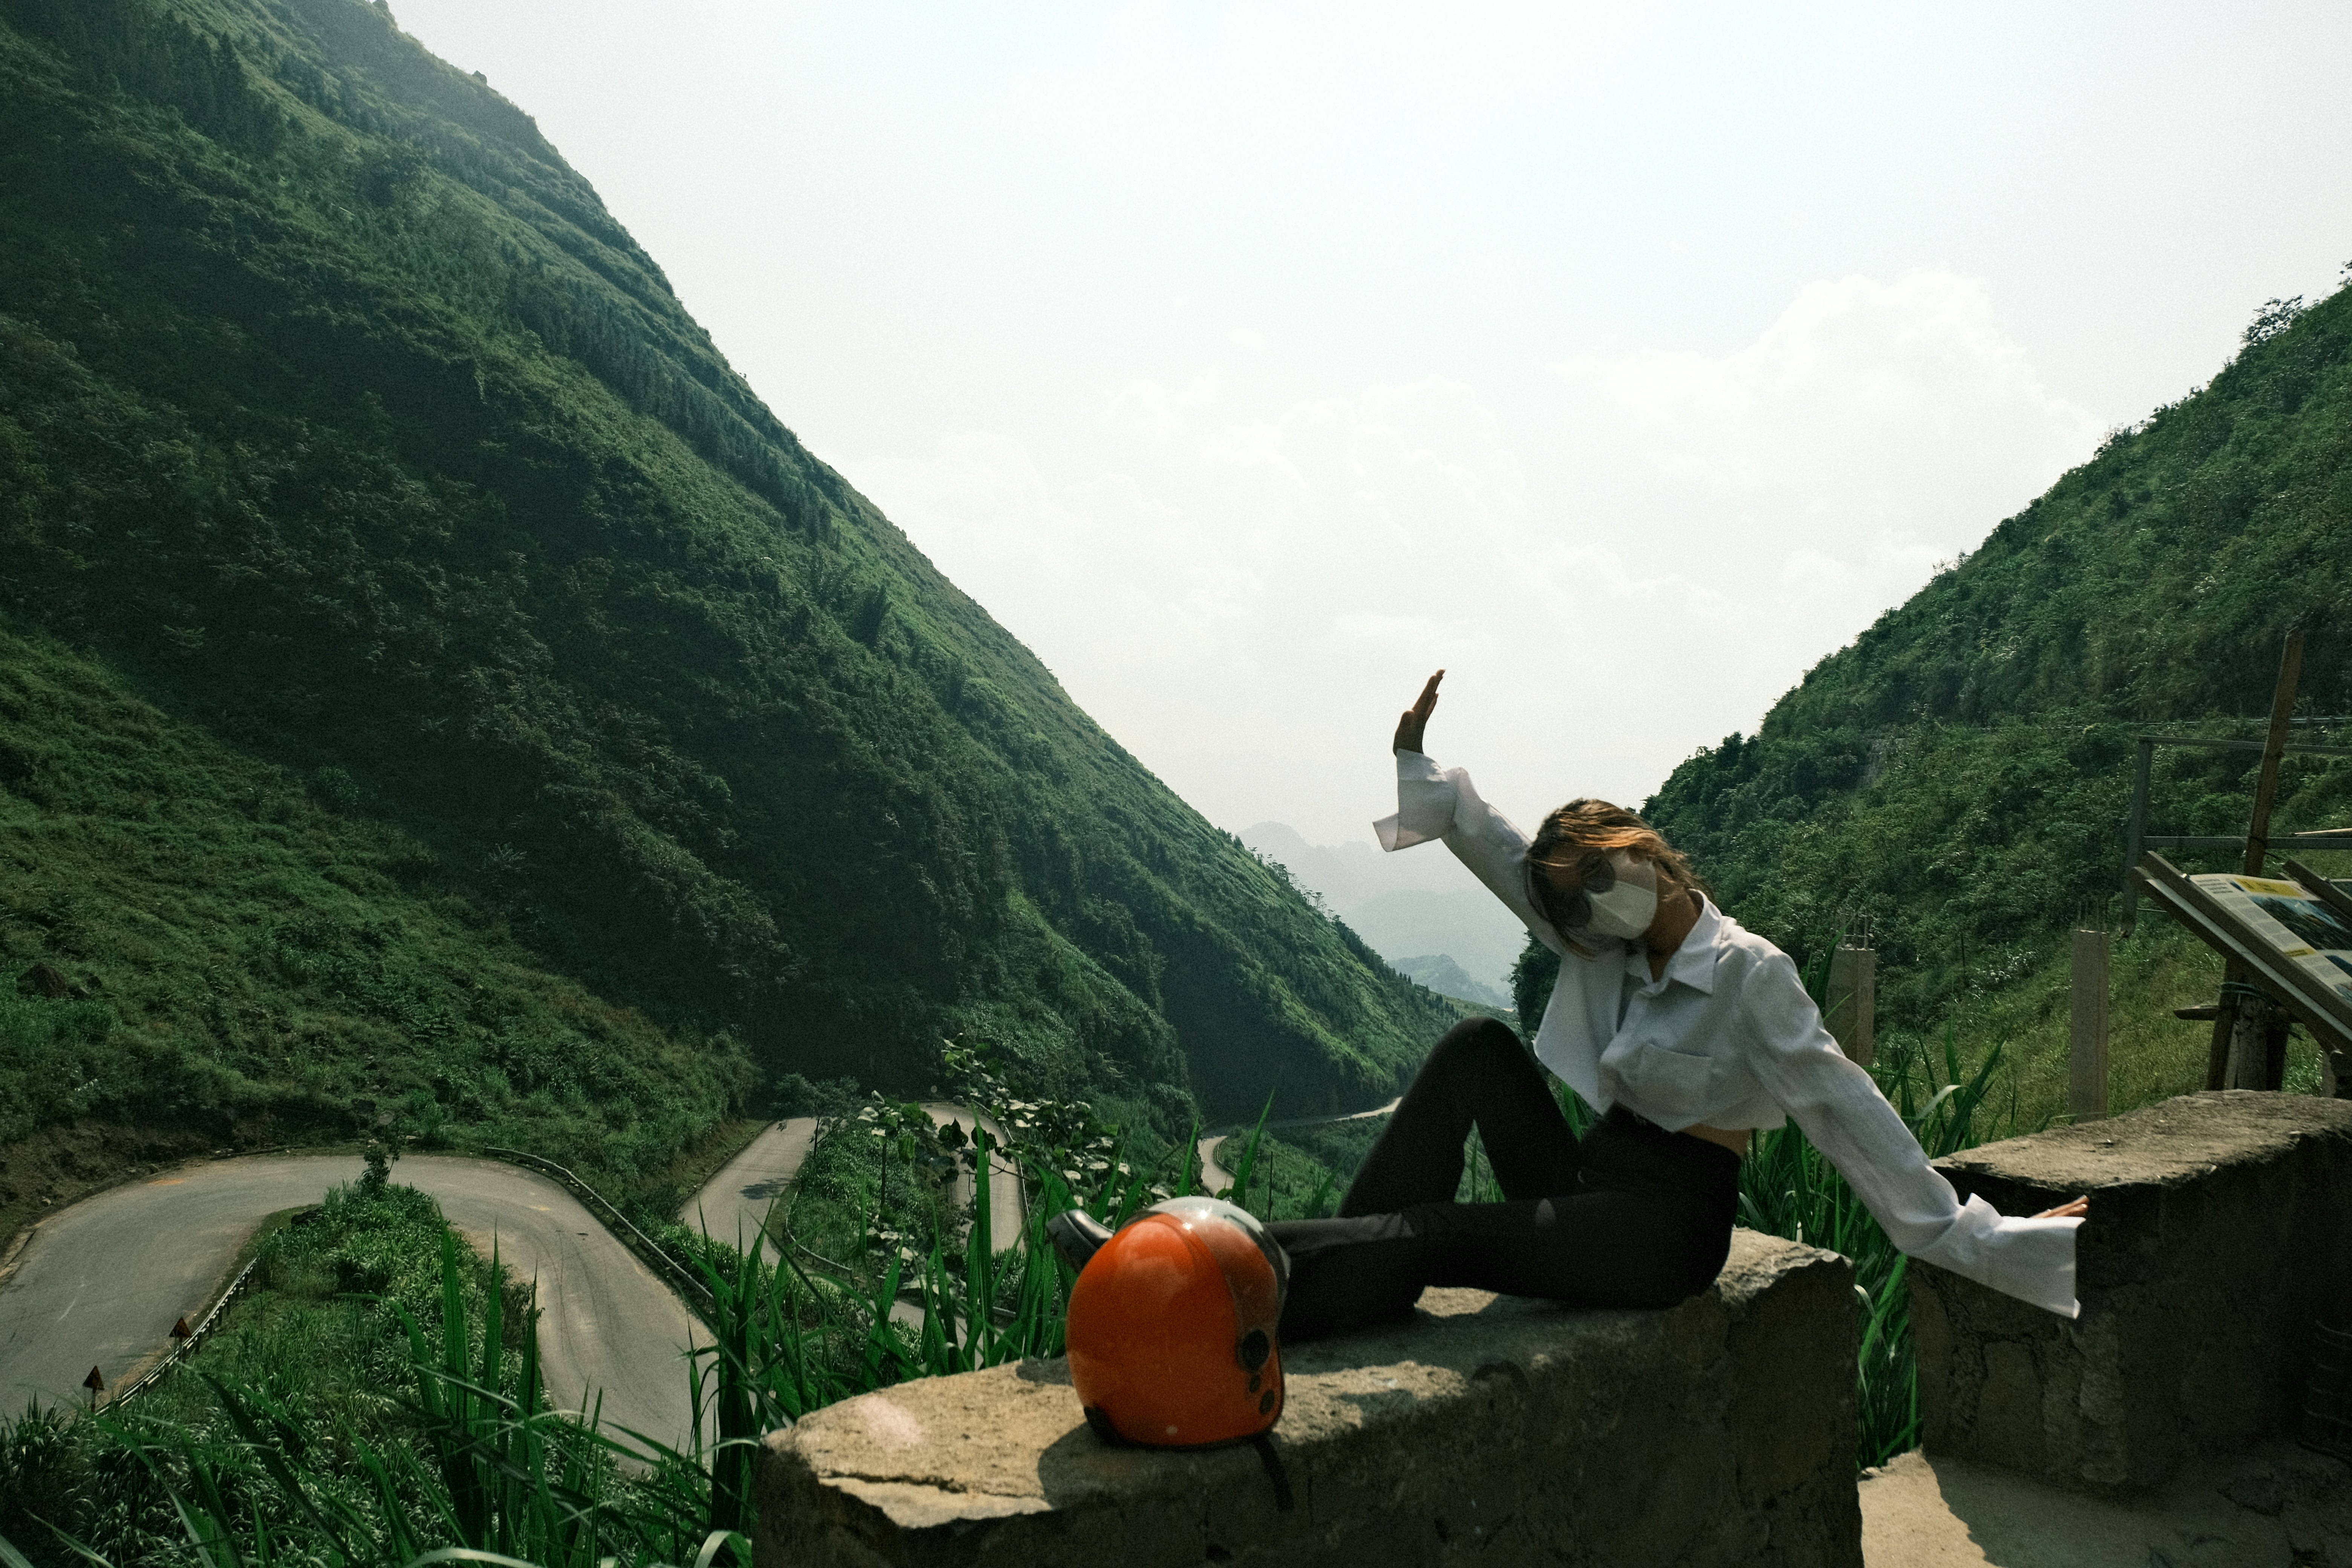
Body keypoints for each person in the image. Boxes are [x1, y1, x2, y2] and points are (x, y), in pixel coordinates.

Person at [1264, 669, 2086, 1342]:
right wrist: (1422, 770)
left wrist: (1990, 1241)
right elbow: (1516, 862)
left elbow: (1847, 1112)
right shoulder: (1609, 949)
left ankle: (1255, 1277)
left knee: (1439, 1230)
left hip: (1660, 1232)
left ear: (1644, 848)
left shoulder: (1747, 973)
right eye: (1574, 901)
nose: (1593, 902)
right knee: (1479, 1045)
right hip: (1589, 1181)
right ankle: (1354, 1272)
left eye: (1600, 872)